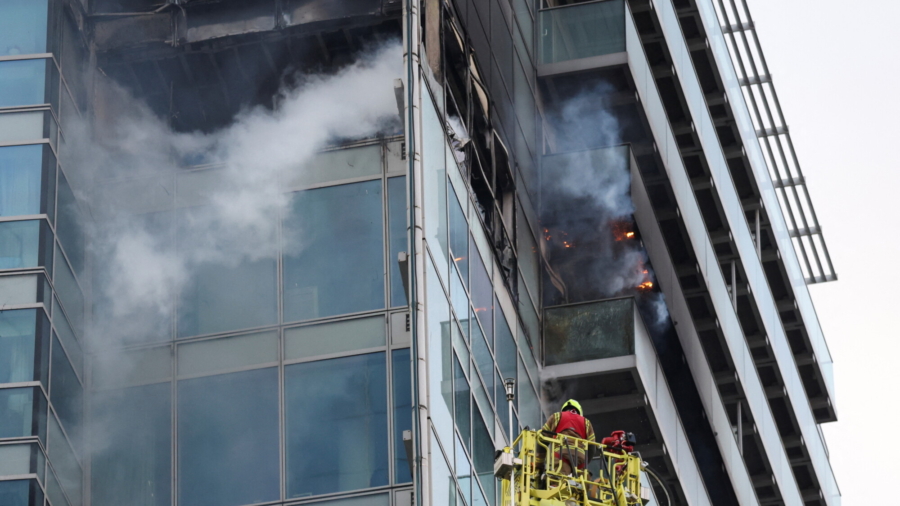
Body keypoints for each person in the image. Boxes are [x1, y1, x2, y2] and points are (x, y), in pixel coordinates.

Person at [539, 399, 595, 476]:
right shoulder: (587, 422)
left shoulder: (557, 416)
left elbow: (542, 439)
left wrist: (538, 464)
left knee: (559, 483)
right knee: (580, 485)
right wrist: (584, 463)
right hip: (580, 457)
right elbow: (592, 448)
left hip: (561, 454)